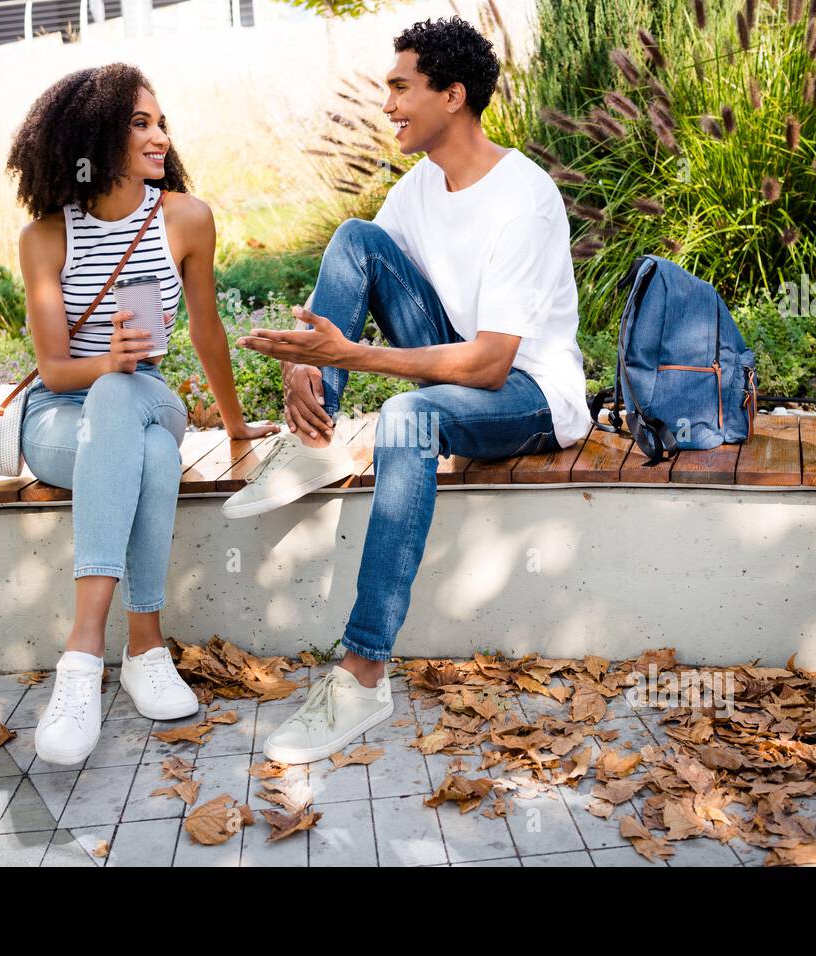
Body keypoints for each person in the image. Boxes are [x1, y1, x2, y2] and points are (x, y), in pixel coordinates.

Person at [233, 17, 593, 764]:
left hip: (530, 393)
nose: (388, 104)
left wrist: (353, 356)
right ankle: (309, 439)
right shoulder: (421, 188)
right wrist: (310, 361)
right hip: (459, 362)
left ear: (453, 96)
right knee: (354, 238)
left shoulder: (521, 197)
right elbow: (353, 281)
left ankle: (362, 671)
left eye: (401, 87)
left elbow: (492, 365)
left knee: (406, 418)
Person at [7, 63, 279, 766]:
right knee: (141, 443)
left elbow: (206, 329)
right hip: (60, 419)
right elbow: (58, 367)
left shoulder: (186, 218)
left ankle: (81, 657)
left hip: (148, 398)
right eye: (140, 123)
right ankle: (143, 648)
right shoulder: (45, 238)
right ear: (95, 134)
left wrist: (237, 425)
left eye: (161, 122)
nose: (160, 136)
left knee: (128, 404)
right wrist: (107, 364)